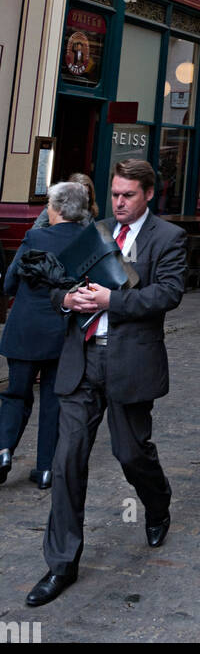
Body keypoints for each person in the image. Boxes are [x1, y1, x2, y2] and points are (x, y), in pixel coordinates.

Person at [26, 159, 186, 608]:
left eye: (128, 195)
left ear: (148, 194)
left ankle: (157, 503)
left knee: (130, 453)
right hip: (81, 362)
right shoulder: (92, 232)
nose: (118, 202)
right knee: (66, 461)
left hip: (130, 362)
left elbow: (168, 294)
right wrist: (69, 298)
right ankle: (61, 564)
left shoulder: (167, 238)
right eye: (114, 194)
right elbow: (55, 284)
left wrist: (112, 299)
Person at [0, 183, 89, 492]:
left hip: (26, 328)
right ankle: (46, 468)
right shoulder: (89, 240)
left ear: (60, 208)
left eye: (50, 204)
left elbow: (10, 282)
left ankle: (3, 451)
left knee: (15, 394)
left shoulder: (36, 237)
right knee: (53, 399)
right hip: (62, 332)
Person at [31, 172, 97, 230]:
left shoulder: (89, 209)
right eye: (80, 194)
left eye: (86, 193)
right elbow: (36, 229)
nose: (83, 197)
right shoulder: (55, 207)